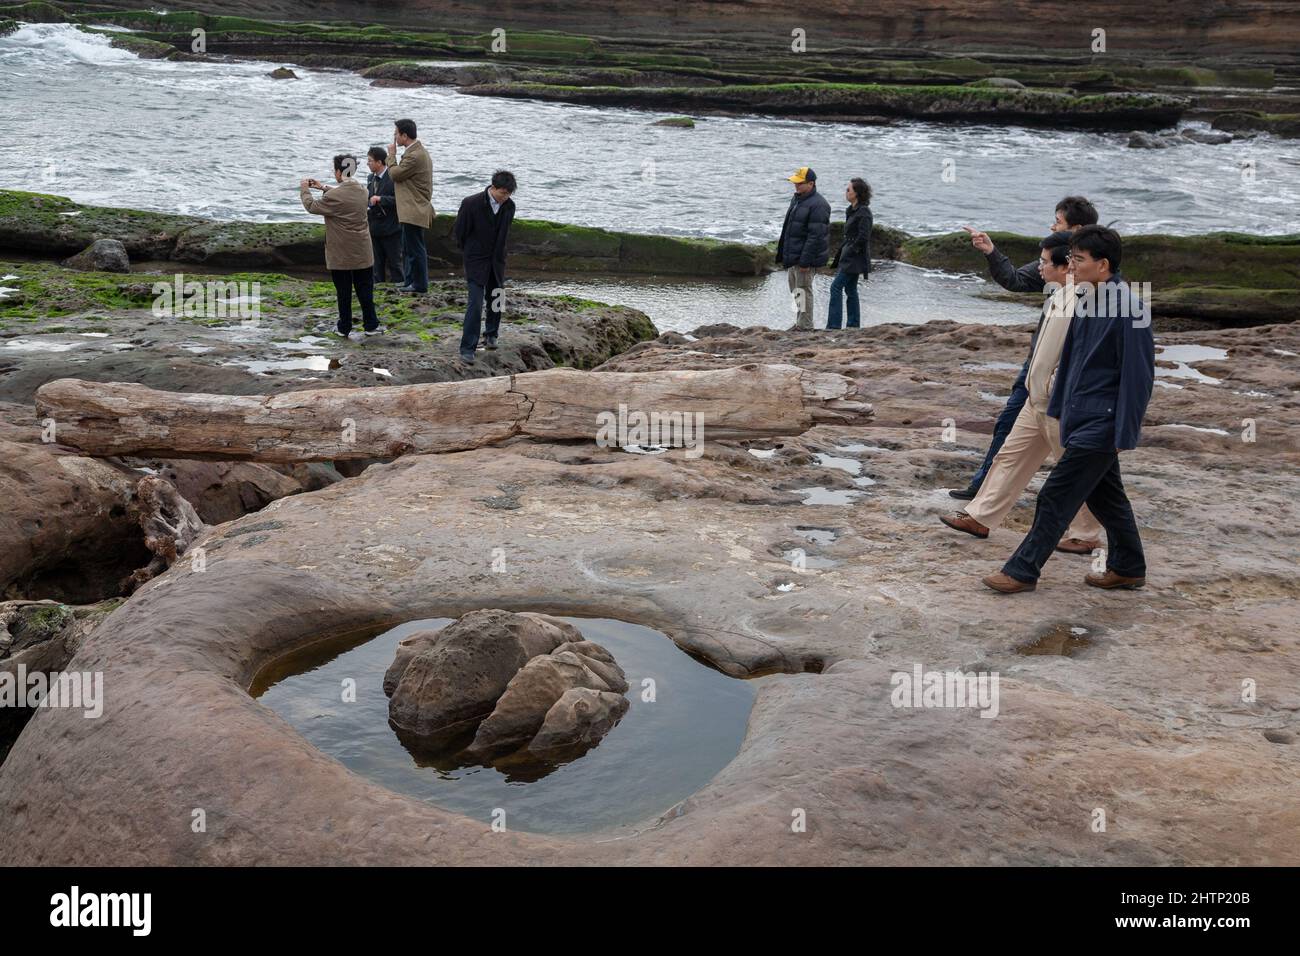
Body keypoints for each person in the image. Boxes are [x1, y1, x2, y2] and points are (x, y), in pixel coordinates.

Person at [983, 225, 1154, 594]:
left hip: (1103, 424)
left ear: (1103, 264)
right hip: (1078, 418)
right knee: (1108, 499)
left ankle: (1023, 570)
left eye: (1078, 259)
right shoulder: (1085, 300)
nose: (1071, 265)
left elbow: (1139, 379)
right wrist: (1059, 411)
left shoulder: (1131, 309)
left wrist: (1125, 433)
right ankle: (1128, 567)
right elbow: (1071, 362)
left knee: (1055, 496)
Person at [938, 231, 1102, 552]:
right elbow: (1013, 281)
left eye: (1043, 263)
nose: (1039, 268)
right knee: (1009, 456)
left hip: (1061, 404)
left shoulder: (1086, 303)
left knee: (1074, 467)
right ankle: (981, 517)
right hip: (1035, 399)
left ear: (1066, 265)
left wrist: (1057, 387)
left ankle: (1086, 534)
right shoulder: (1057, 296)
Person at [300, 154, 382, 338]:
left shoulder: (335, 196)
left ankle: (344, 327)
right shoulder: (363, 190)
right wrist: (322, 187)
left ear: (338, 171)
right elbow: (344, 194)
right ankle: (371, 326)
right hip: (363, 251)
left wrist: (305, 189)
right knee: (365, 290)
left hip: (341, 253)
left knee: (344, 293)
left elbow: (311, 206)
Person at [452, 170, 517, 363]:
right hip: (475, 259)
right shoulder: (471, 203)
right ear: (493, 187)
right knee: (475, 303)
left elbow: (505, 233)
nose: (505, 197)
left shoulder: (509, 206)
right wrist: (471, 252)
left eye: (509, 194)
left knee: (498, 297)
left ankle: (492, 334)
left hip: (497, 259)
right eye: (503, 193)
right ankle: (467, 348)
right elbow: (460, 233)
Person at [775, 166, 830, 331]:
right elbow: (789, 229)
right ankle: (799, 322)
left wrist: (805, 261)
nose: (796, 186)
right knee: (796, 291)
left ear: (811, 184)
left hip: (805, 259)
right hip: (794, 256)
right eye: (795, 183)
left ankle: (805, 326)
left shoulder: (819, 205)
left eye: (800, 183)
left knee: (804, 290)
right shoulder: (797, 200)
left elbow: (815, 237)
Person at [387, 118, 434, 294]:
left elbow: (395, 174)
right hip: (412, 208)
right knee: (408, 248)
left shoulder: (415, 155)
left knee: (415, 249)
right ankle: (410, 281)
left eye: (396, 134)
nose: (394, 138)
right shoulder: (417, 152)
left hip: (414, 209)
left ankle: (420, 284)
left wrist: (391, 155)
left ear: (404, 135)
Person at [827, 177, 872, 330]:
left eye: (848, 190)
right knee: (851, 289)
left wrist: (851, 251)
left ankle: (833, 326)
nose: (846, 192)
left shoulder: (864, 212)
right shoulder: (851, 210)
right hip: (847, 255)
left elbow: (864, 237)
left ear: (857, 193)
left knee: (835, 287)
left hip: (854, 258)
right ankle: (853, 325)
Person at [365, 146, 402, 284]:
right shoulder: (370, 178)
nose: (367, 163)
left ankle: (399, 288)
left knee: (395, 263)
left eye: (370, 160)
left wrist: (381, 199)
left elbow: (400, 199)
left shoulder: (393, 177)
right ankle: (378, 289)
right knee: (376, 264)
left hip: (391, 227)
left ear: (379, 162)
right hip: (374, 227)